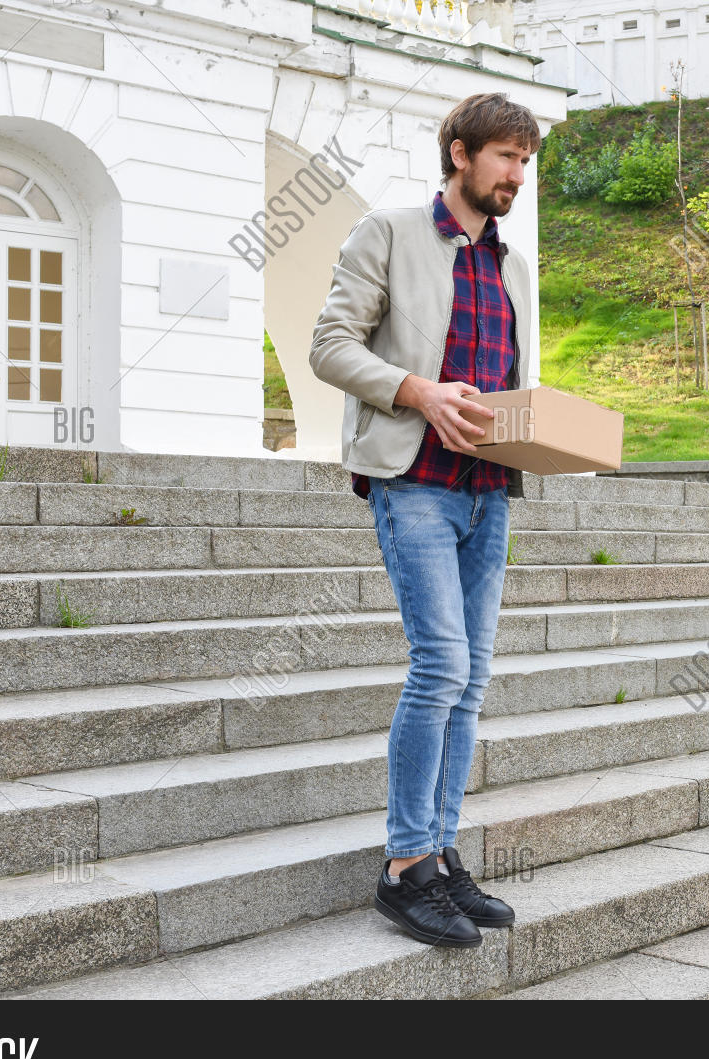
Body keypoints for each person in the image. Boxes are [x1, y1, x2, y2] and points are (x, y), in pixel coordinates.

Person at [310, 92, 541, 948]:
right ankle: (404, 867)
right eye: (505, 157)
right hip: (414, 483)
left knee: (472, 679)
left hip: (489, 492)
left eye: (525, 160)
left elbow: (515, 376)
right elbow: (330, 344)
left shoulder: (514, 264)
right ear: (459, 153)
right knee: (440, 665)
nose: (518, 174)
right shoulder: (390, 232)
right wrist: (417, 391)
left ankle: (441, 855)